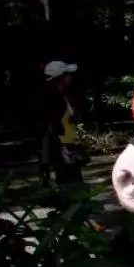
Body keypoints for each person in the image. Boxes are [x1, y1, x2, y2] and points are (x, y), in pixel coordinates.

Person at [39, 60, 87, 188]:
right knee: (71, 187)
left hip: (69, 148)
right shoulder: (52, 98)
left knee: (75, 185)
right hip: (62, 150)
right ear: (60, 77)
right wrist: (46, 160)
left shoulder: (63, 95)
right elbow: (48, 129)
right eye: (67, 74)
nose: (70, 77)